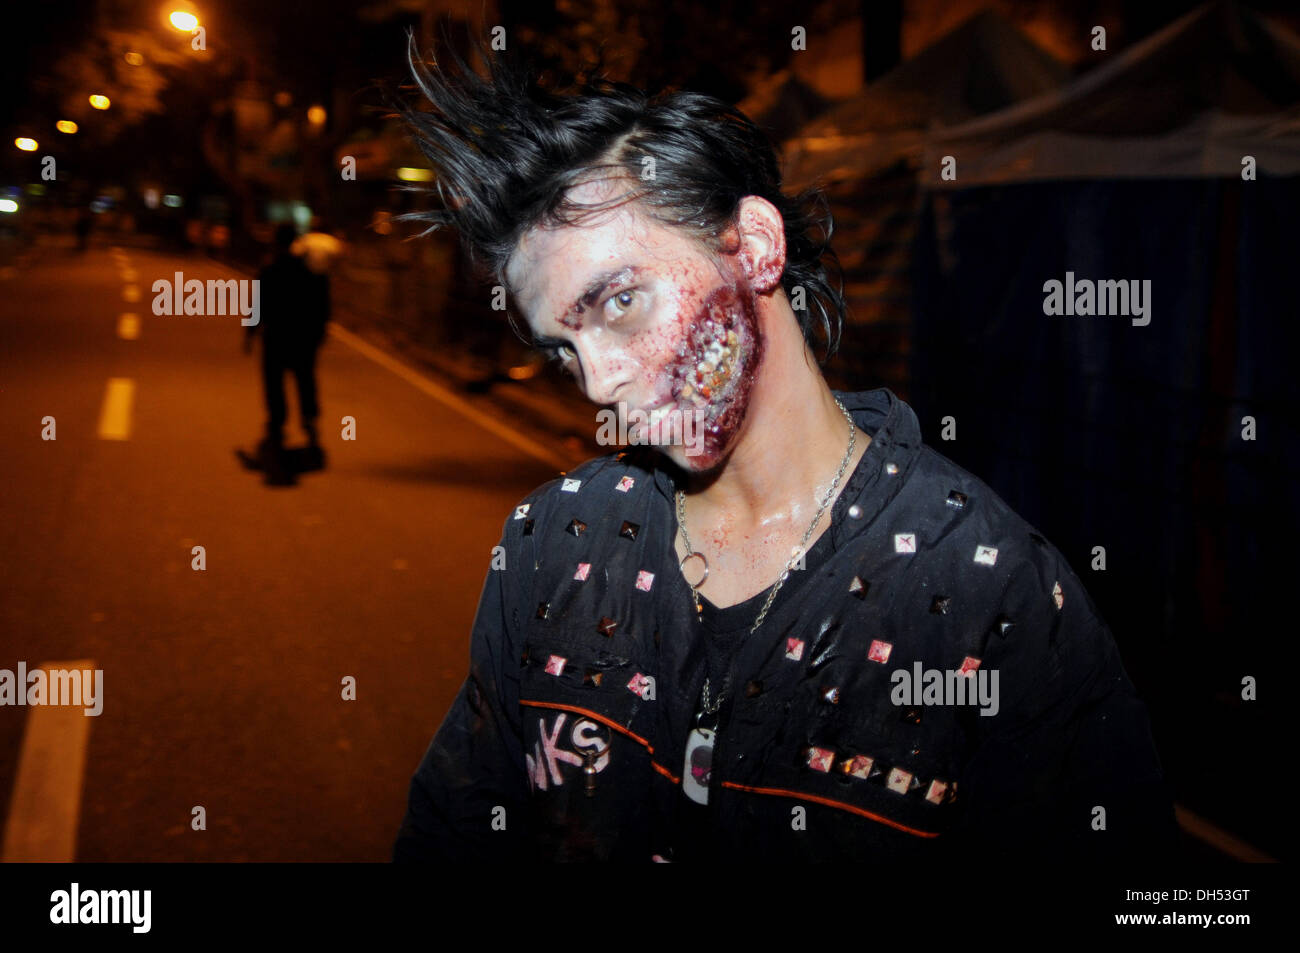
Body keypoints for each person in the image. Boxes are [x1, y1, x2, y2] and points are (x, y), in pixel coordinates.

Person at [391, 43, 1177, 862]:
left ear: (756, 246)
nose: (596, 383)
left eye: (621, 301)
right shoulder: (553, 543)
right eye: (564, 347)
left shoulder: (987, 593)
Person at [244, 223, 328, 482]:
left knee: (275, 383)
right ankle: (309, 421)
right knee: (305, 380)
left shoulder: (269, 270)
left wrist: (249, 333)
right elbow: (322, 301)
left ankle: (278, 423)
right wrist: (320, 332)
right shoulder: (308, 270)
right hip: (302, 338)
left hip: (276, 338)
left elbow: (257, 305)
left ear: (275, 241)